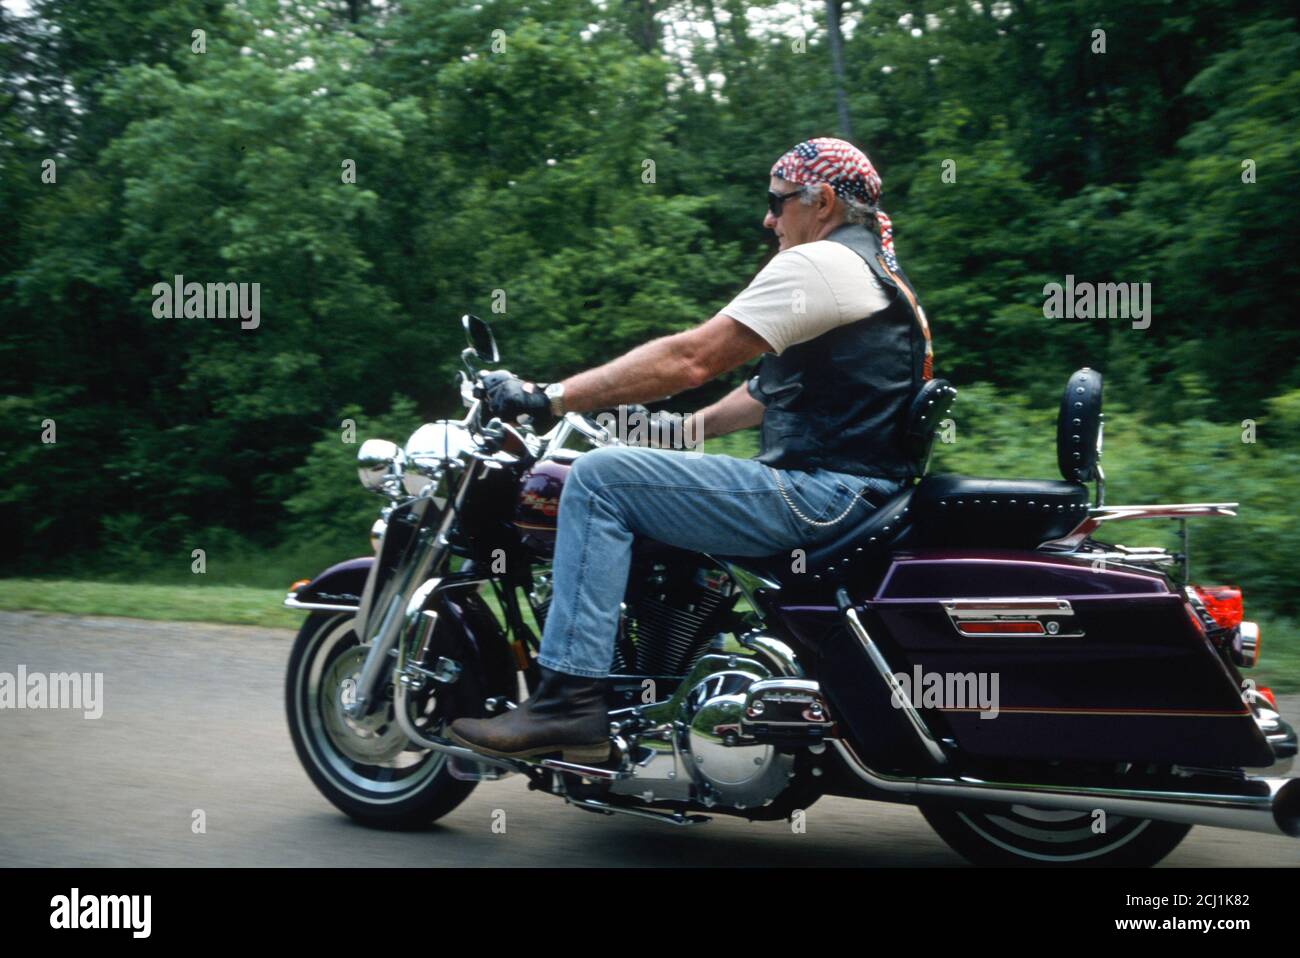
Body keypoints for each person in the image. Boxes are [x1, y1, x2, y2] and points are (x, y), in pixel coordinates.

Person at [449, 137, 934, 764]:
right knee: (627, 474)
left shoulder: (821, 266)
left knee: (596, 481)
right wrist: (670, 436)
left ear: (824, 202)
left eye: (776, 201)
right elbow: (767, 394)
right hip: (855, 493)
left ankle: (569, 702)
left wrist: (549, 397)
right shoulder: (872, 272)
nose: (768, 219)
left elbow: (691, 358)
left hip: (822, 494)